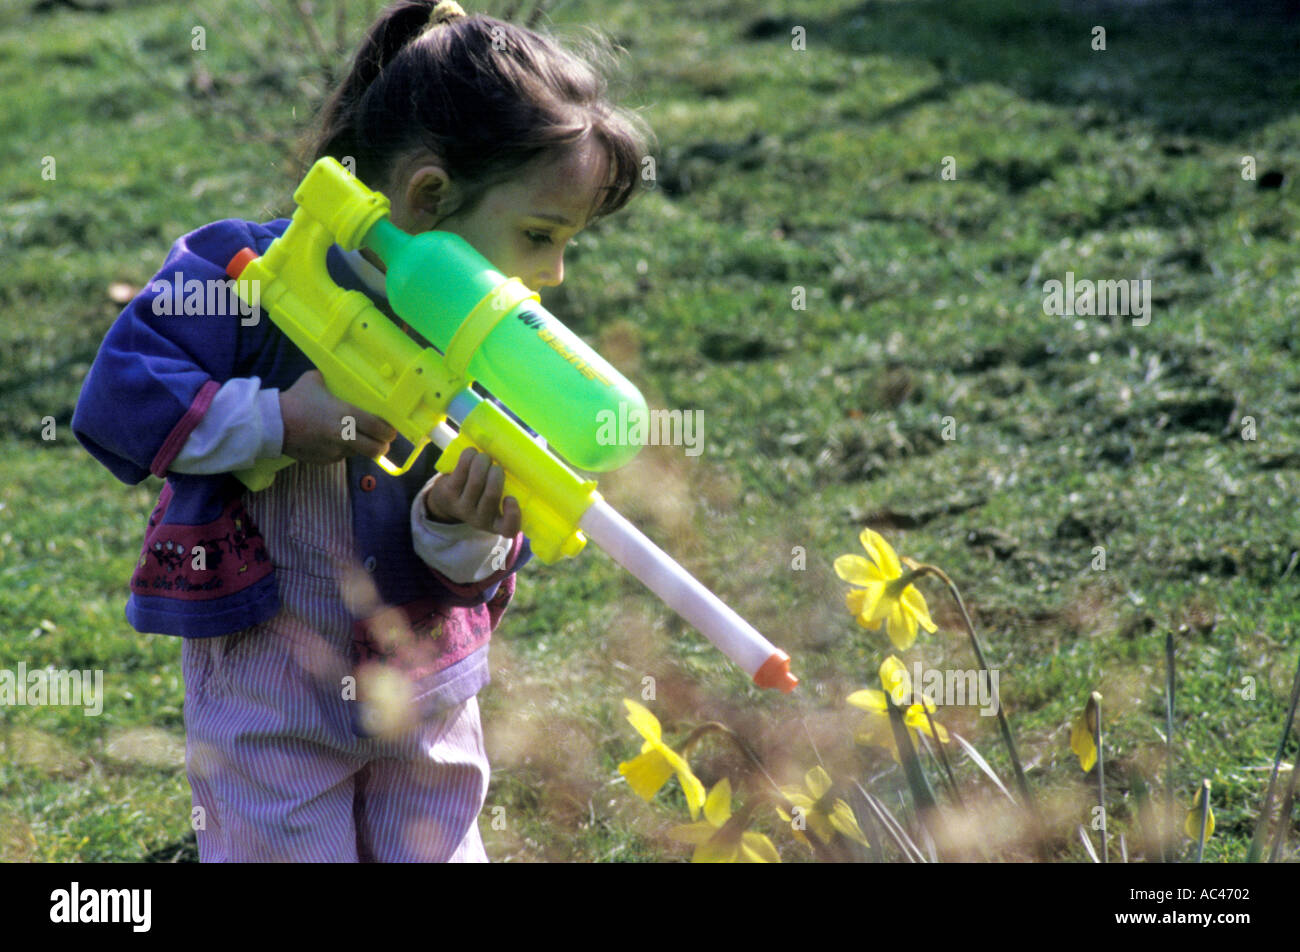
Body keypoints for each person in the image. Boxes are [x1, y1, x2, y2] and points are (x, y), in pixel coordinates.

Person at [71, 0, 652, 862]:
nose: (553, 274)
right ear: (427, 196)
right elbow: (118, 401)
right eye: (538, 235)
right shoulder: (244, 276)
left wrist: (461, 529)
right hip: (271, 687)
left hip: (426, 694)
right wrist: (275, 421)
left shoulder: (503, 351)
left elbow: (477, 561)